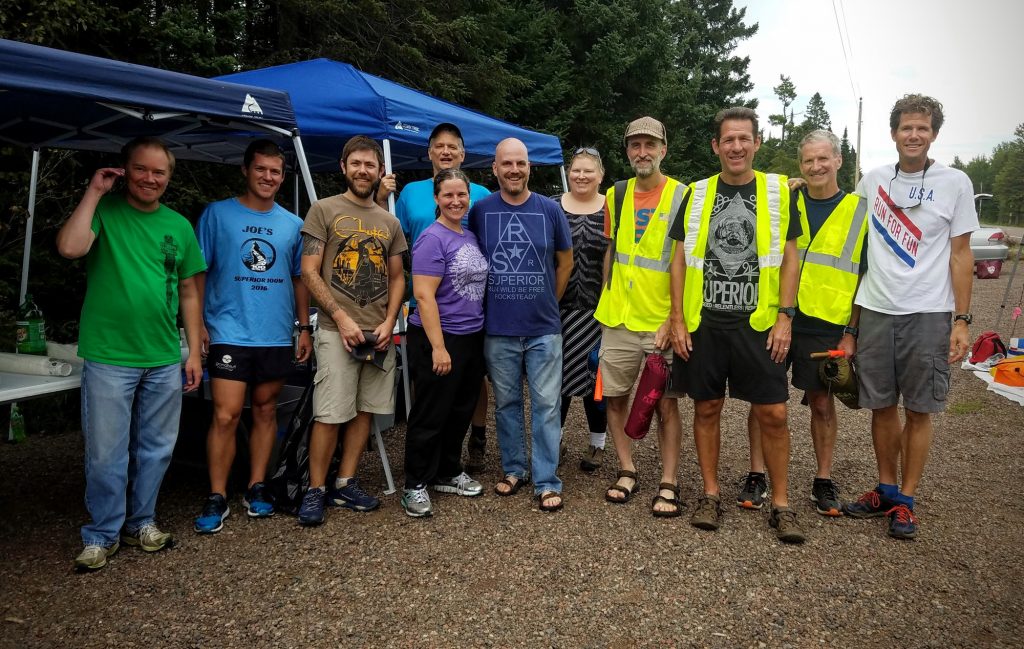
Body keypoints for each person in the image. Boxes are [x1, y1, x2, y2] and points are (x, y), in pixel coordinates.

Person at [57, 137, 206, 571]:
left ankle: (142, 521)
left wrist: (192, 352)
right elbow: (70, 247)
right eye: (141, 169)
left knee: (157, 448)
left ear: (169, 177)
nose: (150, 178)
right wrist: (95, 191)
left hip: (162, 353)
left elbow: (188, 293)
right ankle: (102, 533)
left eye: (159, 172)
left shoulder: (178, 224)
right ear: (125, 170)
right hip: (109, 353)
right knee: (106, 451)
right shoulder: (103, 210)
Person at [668, 107, 806, 543]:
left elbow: (789, 258)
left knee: (774, 412)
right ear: (716, 146)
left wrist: (785, 316)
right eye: (728, 139)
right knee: (706, 408)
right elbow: (677, 261)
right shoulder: (696, 194)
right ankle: (710, 495)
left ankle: (782, 505)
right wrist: (676, 318)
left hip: (759, 323)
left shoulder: (779, 193)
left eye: (744, 138)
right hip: (704, 323)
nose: (736, 147)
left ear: (757, 143)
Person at [843, 94, 977, 540]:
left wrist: (962, 319)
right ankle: (884, 488)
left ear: (934, 133)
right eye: (906, 127)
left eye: (922, 128)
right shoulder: (873, 180)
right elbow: (852, 239)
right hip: (878, 309)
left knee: (920, 410)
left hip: (928, 312)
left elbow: (961, 255)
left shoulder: (955, 182)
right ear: (894, 133)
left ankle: (907, 500)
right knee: (881, 406)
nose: (914, 135)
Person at [192, 139, 313, 534]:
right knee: (226, 414)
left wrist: (303, 327)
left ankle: (256, 485)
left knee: (264, 410)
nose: (268, 177)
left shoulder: (293, 224)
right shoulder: (217, 215)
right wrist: (198, 326)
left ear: (282, 176)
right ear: (246, 170)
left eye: (275, 171)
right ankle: (216, 494)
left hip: (275, 333)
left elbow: (299, 279)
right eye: (261, 169)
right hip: (229, 329)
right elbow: (198, 273)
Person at [744, 130, 868, 517]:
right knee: (763, 400)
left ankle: (823, 480)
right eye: (808, 161)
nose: (816, 167)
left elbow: (865, 277)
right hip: (777, 314)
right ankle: (756, 473)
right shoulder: (785, 200)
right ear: (800, 166)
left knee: (821, 402)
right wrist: (785, 183)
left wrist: (851, 332)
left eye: (823, 159)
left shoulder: (860, 211)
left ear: (838, 161)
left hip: (827, 322)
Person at [297, 135, 408, 526]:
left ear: (380, 172)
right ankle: (315, 489)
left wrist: (389, 321)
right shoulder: (322, 210)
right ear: (343, 167)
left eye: (370, 165)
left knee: (365, 410)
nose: (364, 171)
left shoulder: (390, 222)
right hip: (334, 329)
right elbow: (309, 271)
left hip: (378, 332)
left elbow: (397, 278)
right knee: (329, 413)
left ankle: (345, 482)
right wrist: (341, 319)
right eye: (357, 163)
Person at [468, 138, 573, 513]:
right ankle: (515, 469)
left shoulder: (550, 209)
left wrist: (548, 299)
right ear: (494, 169)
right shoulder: (479, 211)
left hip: (544, 327)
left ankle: (546, 480)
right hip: (498, 327)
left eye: (521, 163)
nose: (515, 169)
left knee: (546, 405)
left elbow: (565, 262)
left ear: (530, 167)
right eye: (507, 163)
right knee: (507, 404)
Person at [594, 117, 688, 518]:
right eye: (635, 145)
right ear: (628, 151)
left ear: (663, 149)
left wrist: (675, 318)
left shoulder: (683, 196)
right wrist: (605, 299)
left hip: (660, 322)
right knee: (614, 399)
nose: (642, 152)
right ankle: (627, 468)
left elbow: (688, 263)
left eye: (650, 144)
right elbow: (612, 253)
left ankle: (668, 480)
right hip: (617, 319)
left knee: (665, 404)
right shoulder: (615, 194)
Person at [394, 123, 492, 473]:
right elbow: (422, 294)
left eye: (461, 196)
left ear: (470, 197)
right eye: (448, 196)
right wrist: (438, 346)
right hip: (439, 332)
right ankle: (416, 482)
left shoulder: (469, 233)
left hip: (470, 331)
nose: (456, 201)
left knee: (460, 409)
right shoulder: (431, 238)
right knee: (431, 410)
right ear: (436, 198)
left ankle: (449, 471)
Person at [555, 147, 609, 472]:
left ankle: (598, 444)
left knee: (596, 381)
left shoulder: (612, 208)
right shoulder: (552, 206)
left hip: (598, 312)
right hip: (558, 309)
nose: (581, 176)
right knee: (556, 380)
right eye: (576, 170)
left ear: (600, 175)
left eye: (588, 171)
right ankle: (555, 440)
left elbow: (615, 258)